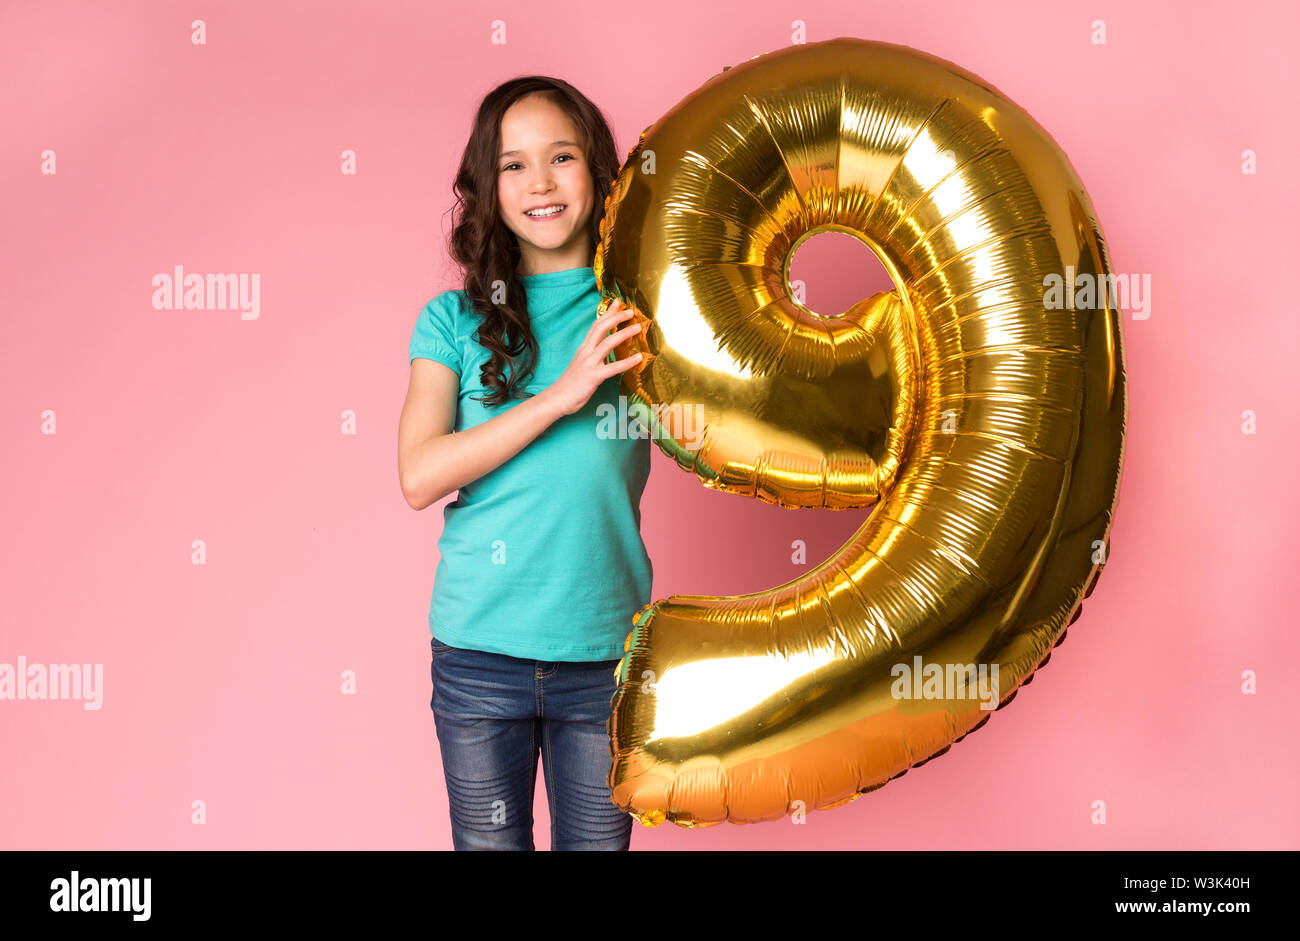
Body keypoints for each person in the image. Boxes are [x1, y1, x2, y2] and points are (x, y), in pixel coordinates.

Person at [397, 76, 650, 851]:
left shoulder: (642, 313)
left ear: (598, 173)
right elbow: (418, 474)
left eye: (562, 157)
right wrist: (558, 396)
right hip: (480, 656)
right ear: (489, 187)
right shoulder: (453, 319)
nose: (540, 182)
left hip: (605, 655)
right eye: (513, 165)